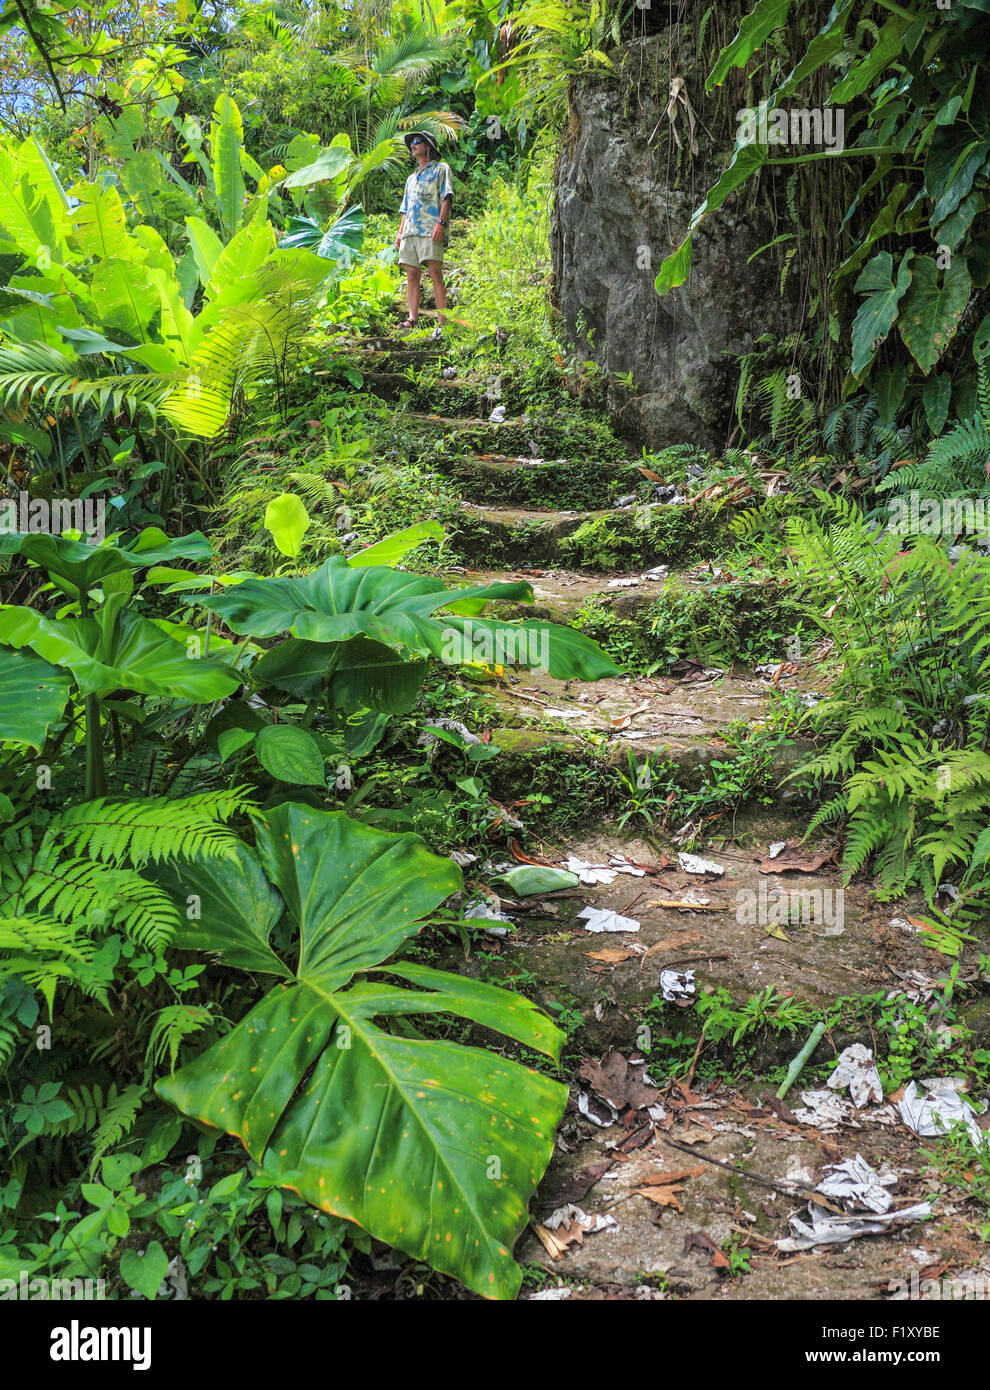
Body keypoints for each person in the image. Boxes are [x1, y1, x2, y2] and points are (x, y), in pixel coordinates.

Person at [395, 131, 453, 336]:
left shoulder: (441, 169)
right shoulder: (411, 179)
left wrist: (441, 223)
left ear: (428, 146)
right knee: (412, 274)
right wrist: (400, 232)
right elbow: (405, 208)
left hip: (430, 228)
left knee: (435, 272)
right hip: (410, 231)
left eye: (417, 142)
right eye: (411, 143)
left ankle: (442, 320)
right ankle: (412, 318)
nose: (413, 145)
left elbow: (446, 197)